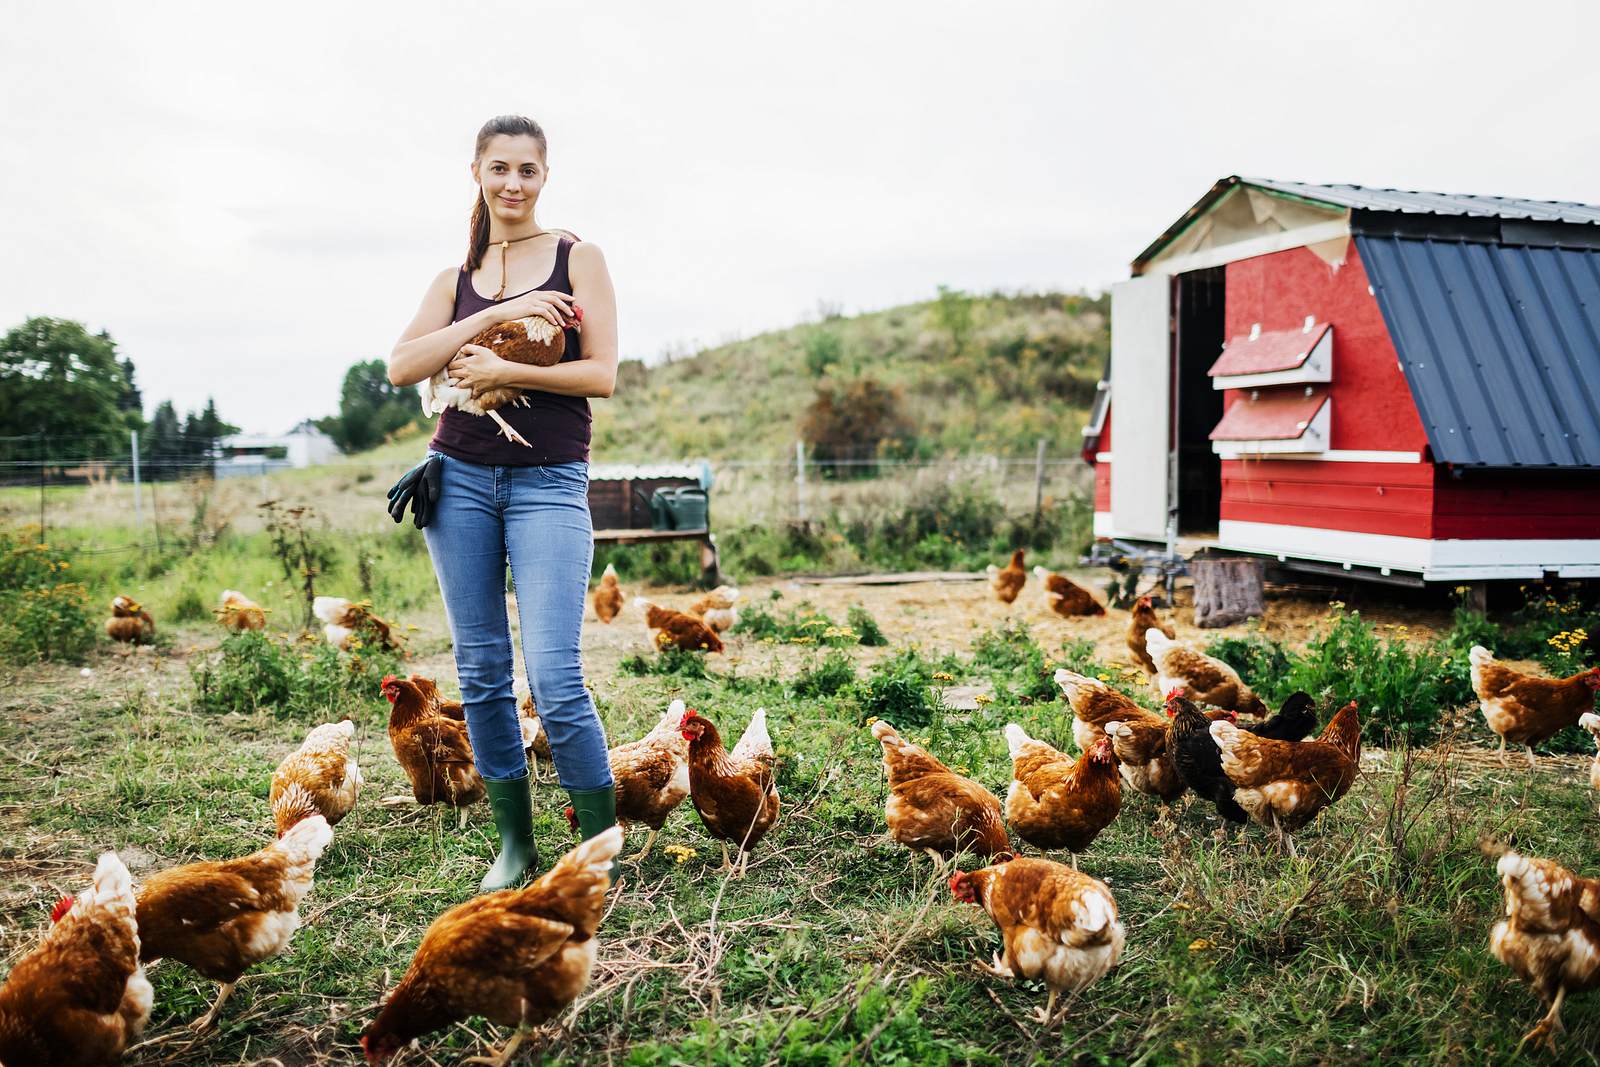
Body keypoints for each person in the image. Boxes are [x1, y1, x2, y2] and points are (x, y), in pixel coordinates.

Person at [388, 114, 618, 892]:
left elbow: (602, 375)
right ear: (478, 173)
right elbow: (399, 366)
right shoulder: (453, 280)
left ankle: (596, 853)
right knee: (482, 672)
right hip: (457, 480)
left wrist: (494, 363)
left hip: (548, 480)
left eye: (527, 170)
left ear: (545, 176)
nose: (512, 184)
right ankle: (515, 844)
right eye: (499, 169)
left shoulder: (576, 257)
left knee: (554, 676)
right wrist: (483, 319)